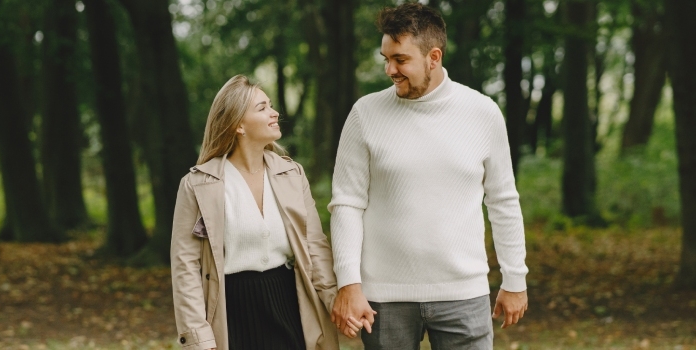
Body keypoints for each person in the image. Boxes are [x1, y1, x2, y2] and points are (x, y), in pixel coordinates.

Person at [328, 3, 529, 349]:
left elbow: (503, 201)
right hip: (384, 299)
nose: (390, 69)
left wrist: (515, 278)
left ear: (433, 57)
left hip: (463, 294)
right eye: (385, 58)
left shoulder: (482, 113)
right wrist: (349, 283)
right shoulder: (365, 113)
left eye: (400, 59)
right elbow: (346, 203)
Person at [170, 75, 340, 350]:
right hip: (231, 313)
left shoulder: (292, 174)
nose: (275, 113)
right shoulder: (198, 184)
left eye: (271, 105)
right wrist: (199, 338)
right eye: (262, 108)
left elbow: (314, 246)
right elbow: (185, 266)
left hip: (290, 305)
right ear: (238, 124)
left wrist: (334, 300)